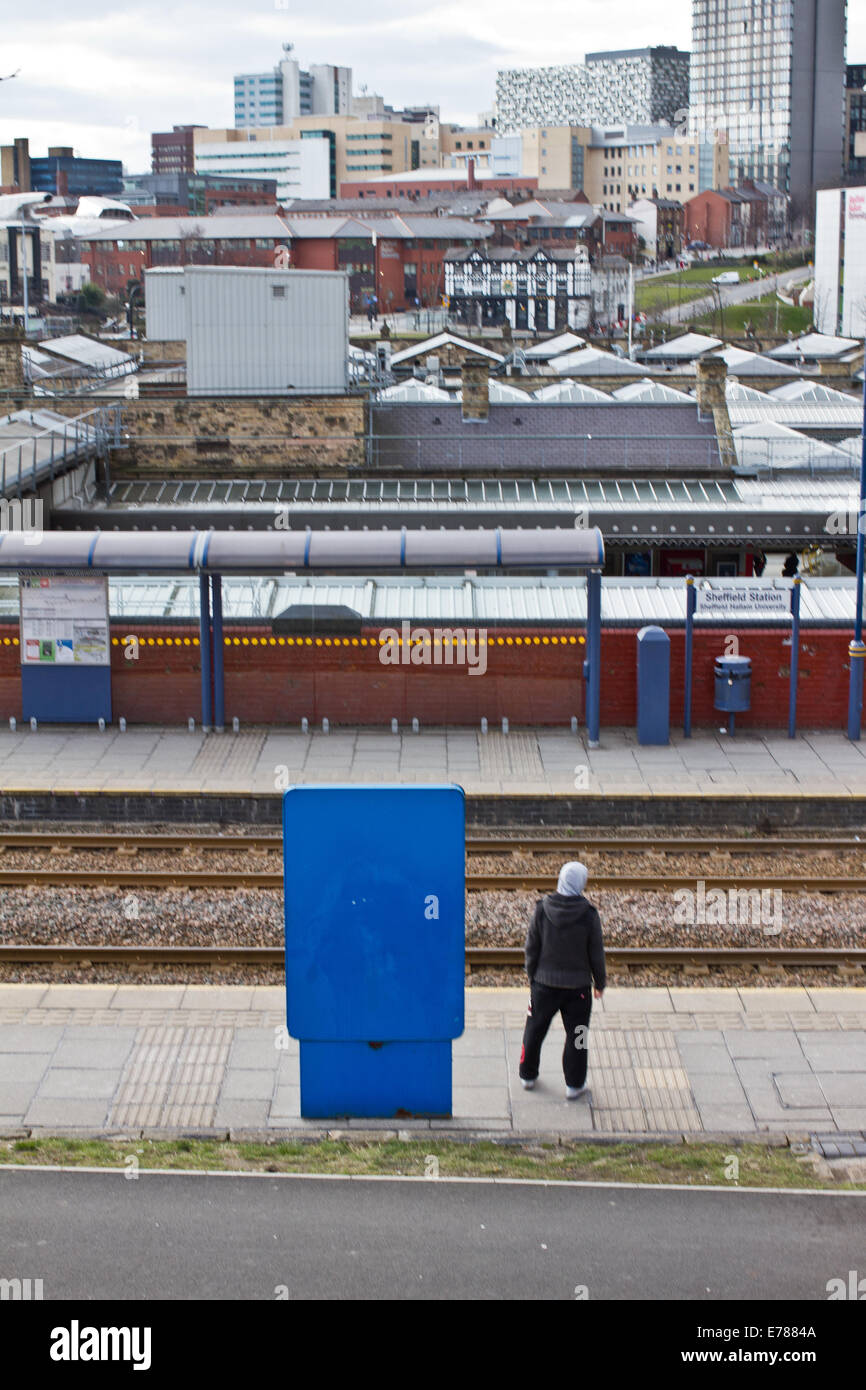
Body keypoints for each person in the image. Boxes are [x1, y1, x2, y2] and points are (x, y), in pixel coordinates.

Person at [519, 861, 606, 1100]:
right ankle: (574, 1084)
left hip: (543, 986)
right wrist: (599, 983)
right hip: (578, 990)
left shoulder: (542, 908)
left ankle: (527, 1075)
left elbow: (531, 948)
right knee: (578, 1036)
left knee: (534, 1030)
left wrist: (532, 977)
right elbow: (596, 953)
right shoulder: (589, 915)